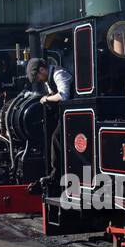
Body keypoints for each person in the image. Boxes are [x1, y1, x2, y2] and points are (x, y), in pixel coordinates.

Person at [28, 58, 73, 192]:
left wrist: (46, 99)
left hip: (73, 115)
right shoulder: (49, 79)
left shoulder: (59, 74)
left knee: (56, 138)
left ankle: (56, 174)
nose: (39, 79)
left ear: (42, 69)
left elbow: (64, 96)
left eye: (38, 76)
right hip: (64, 115)